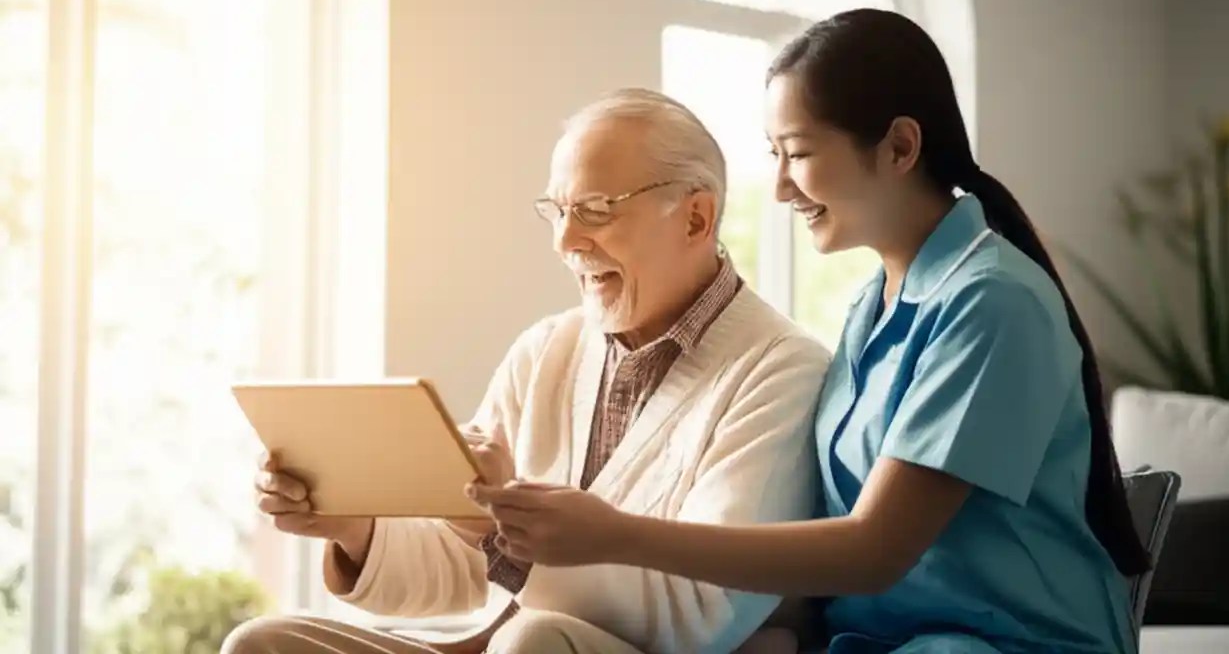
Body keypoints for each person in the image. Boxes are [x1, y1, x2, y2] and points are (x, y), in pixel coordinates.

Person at [469, 9, 1150, 654]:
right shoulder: (870, 311)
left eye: (796, 154)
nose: (780, 189)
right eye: (773, 155)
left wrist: (616, 536)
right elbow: (829, 541)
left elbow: (875, 549)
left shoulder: (994, 304)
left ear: (900, 147)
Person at [223, 88, 831, 654]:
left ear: (696, 218)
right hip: (494, 643)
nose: (566, 241)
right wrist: (354, 528)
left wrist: (495, 532)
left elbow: (703, 615)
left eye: (595, 211)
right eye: (558, 211)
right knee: (262, 642)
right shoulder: (547, 349)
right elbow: (468, 579)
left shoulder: (779, 369)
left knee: (533, 640)